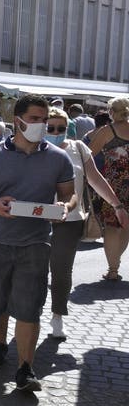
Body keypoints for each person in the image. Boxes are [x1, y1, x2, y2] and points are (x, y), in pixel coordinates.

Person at [0, 94, 76, 392]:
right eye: (36, 119)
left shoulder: (58, 158)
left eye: (46, 120)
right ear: (18, 120)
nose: (42, 126)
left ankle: (25, 368)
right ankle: (0, 344)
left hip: (36, 244)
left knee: (30, 307)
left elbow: (69, 193)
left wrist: (65, 207)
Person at [44, 108, 128, 339]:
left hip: (69, 219)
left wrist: (117, 204)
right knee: (33, 270)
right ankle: (28, 315)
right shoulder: (33, 147)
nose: (55, 132)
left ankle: (58, 315)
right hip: (35, 219)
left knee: (61, 271)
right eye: (50, 128)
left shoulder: (78, 148)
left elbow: (95, 179)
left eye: (61, 128)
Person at [88, 97, 129, 282]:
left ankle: (113, 269)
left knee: (112, 225)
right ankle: (116, 262)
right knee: (126, 226)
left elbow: (88, 154)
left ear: (112, 111)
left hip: (113, 184)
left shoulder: (108, 131)